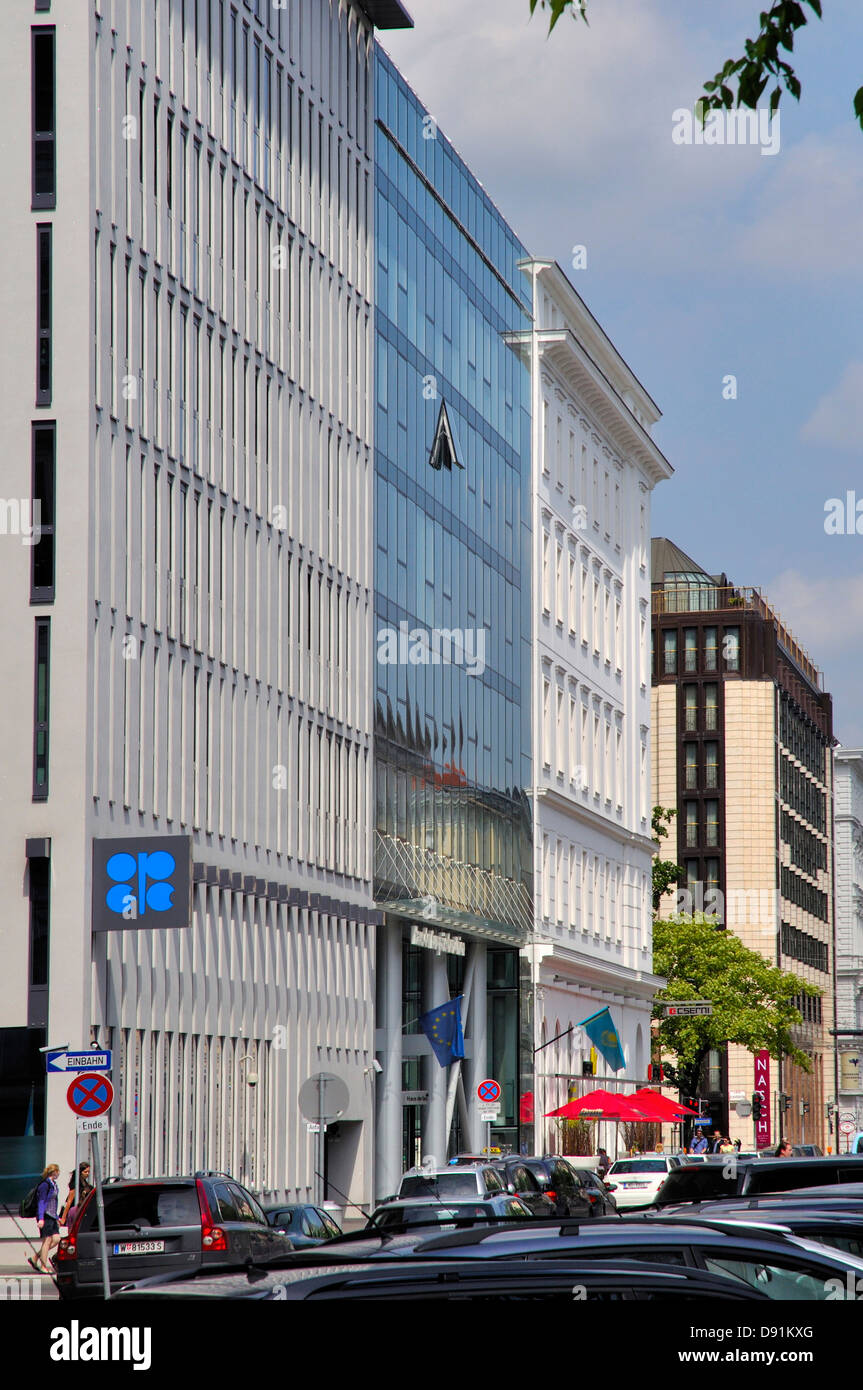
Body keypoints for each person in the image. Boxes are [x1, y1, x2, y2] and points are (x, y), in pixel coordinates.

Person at [28, 1163, 61, 1274]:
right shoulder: (44, 1185)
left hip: (52, 1215)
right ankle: (43, 1265)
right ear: (54, 1172)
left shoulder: (54, 1184)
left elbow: (54, 1202)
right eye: (58, 1171)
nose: (59, 1173)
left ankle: (35, 1257)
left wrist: (57, 1217)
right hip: (45, 1215)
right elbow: (41, 1201)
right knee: (47, 1240)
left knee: (56, 1239)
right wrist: (41, 1218)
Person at [60, 1161, 93, 1229]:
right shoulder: (76, 1184)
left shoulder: (85, 1183)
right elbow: (69, 1201)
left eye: (88, 1172)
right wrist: (63, 1218)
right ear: (80, 1172)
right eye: (85, 1172)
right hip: (74, 1210)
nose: (87, 1174)